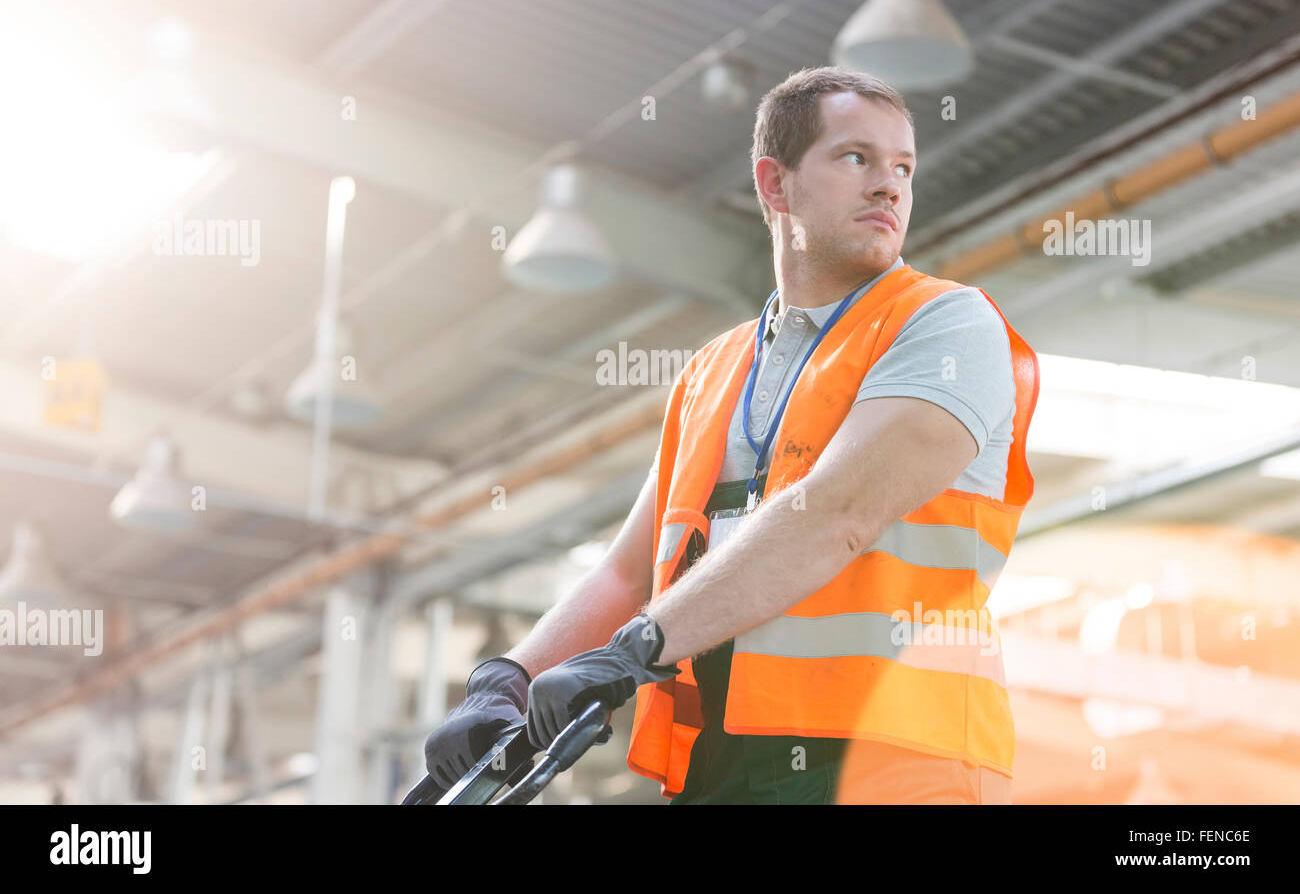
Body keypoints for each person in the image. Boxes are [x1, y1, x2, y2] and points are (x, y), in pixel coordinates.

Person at [423, 66, 1039, 804]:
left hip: (897, 760)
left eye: (903, 167)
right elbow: (628, 574)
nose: (890, 186)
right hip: (721, 765)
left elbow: (837, 512)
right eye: (857, 158)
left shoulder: (945, 325)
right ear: (775, 186)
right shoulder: (715, 370)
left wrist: (637, 649)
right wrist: (507, 680)